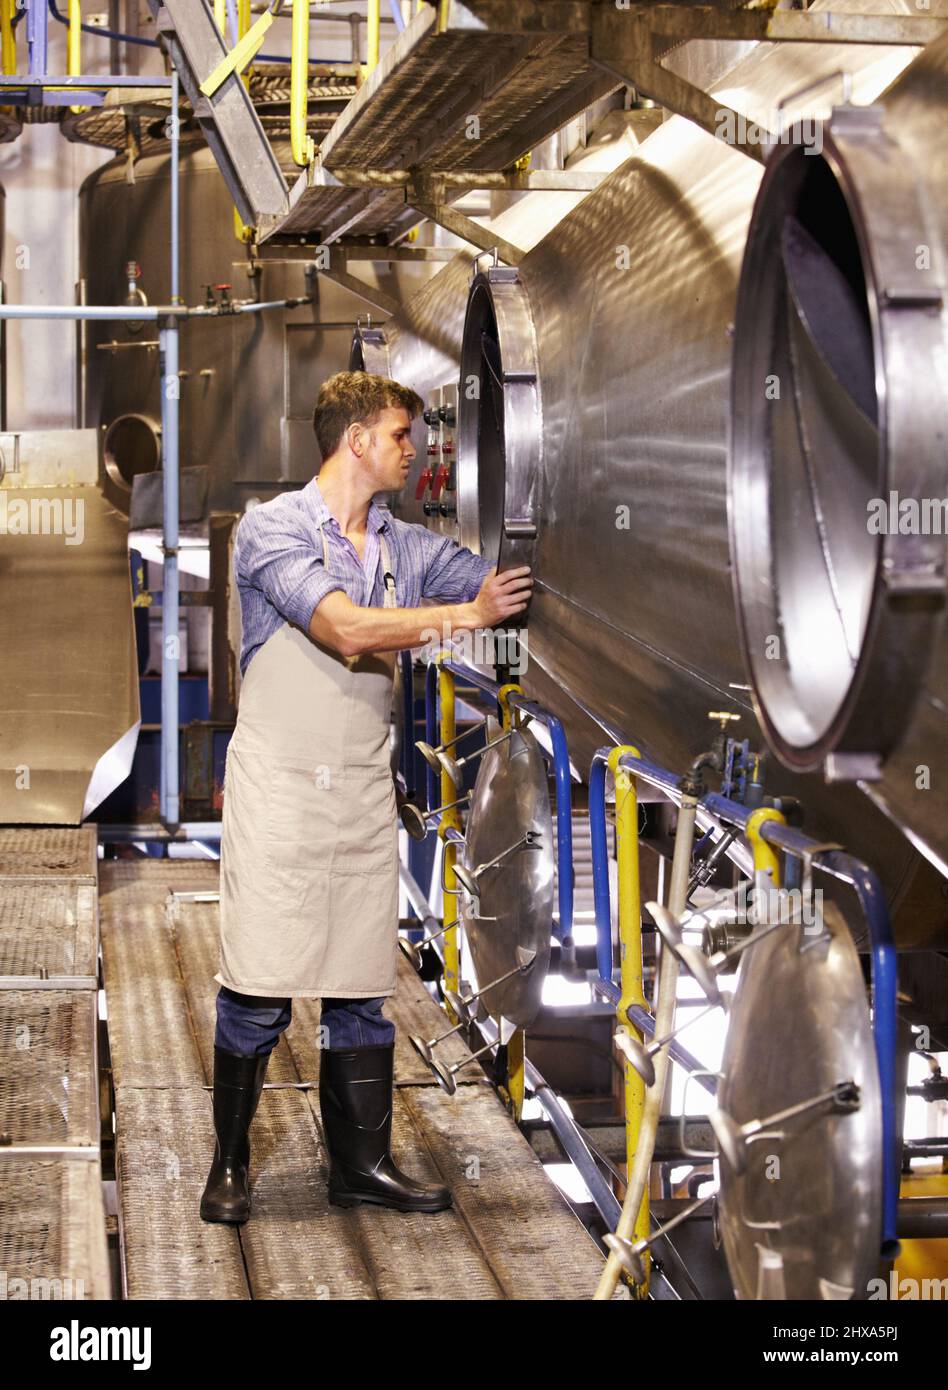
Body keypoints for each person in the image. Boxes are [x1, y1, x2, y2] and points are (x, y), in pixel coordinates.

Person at [200, 370, 533, 1222]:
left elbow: (500, 581)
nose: (414, 451)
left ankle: (360, 1164)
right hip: (279, 785)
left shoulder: (407, 547)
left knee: (358, 986)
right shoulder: (273, 530)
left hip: (356, 788)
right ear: (355, 440)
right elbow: (342, 627)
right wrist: (461, 618)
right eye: (399, 435)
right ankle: (229, 1166)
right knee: (260, 983)